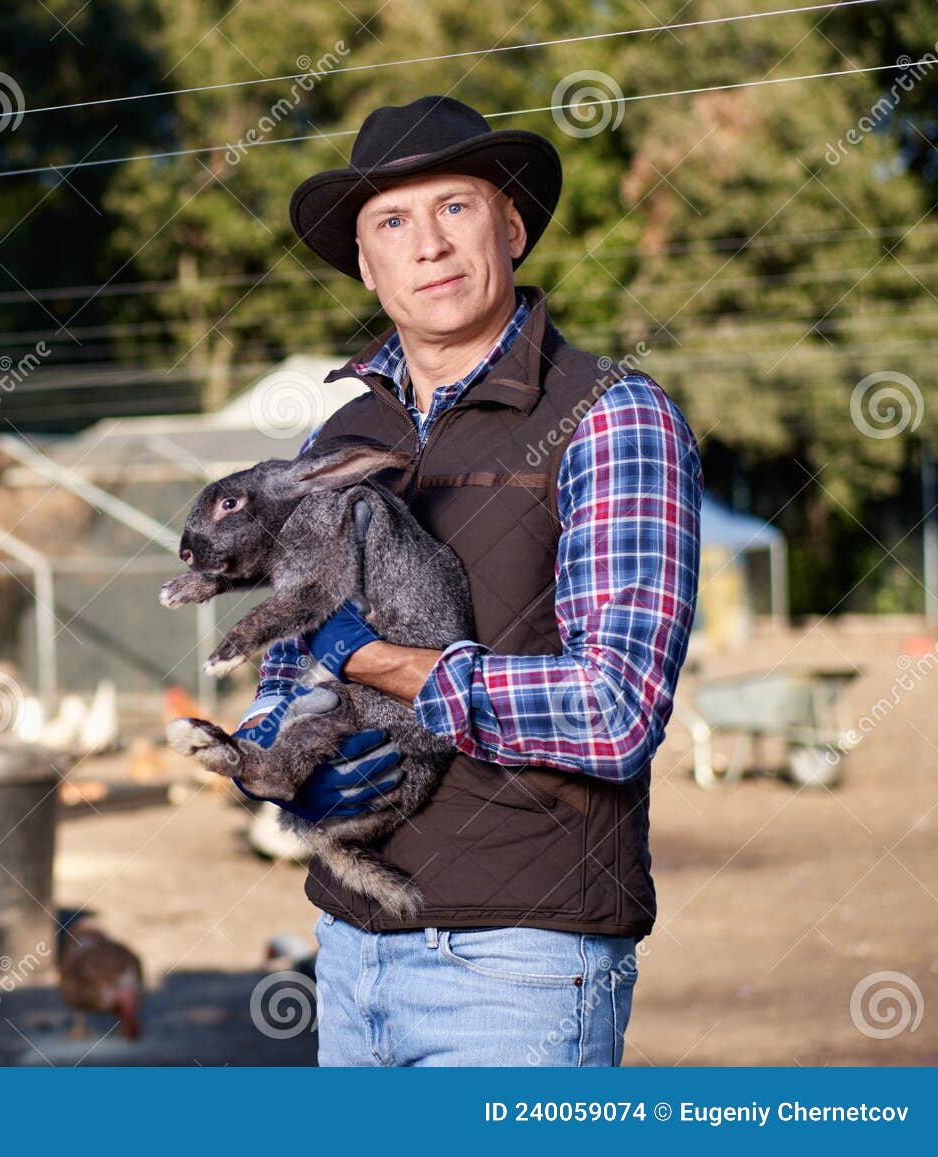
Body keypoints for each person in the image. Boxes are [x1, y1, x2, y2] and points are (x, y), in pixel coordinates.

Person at [237, 95, 702, 1066]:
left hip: (520, 963)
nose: (428, 245)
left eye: (456, 207)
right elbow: (288, 666)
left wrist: (402, 668)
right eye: (392, 222)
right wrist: (274, 756)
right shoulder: (336, 442)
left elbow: (613, 709)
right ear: (367, 265)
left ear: (513, 227)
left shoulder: (608, 417)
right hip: (348, 946)